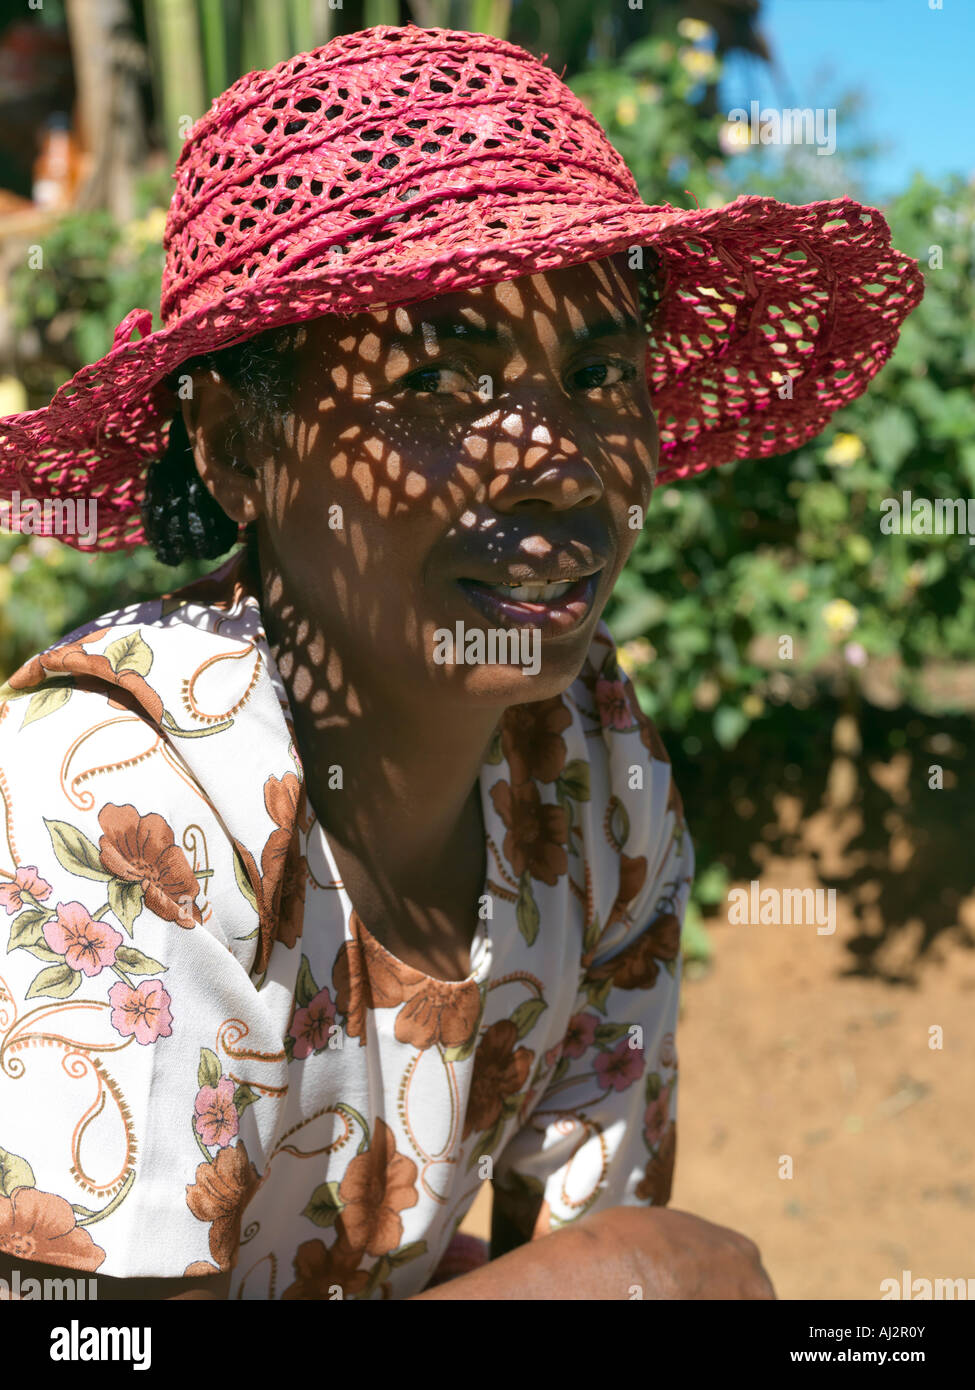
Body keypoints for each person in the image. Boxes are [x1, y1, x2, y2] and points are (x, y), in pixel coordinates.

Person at [0, 24, 922, 1301]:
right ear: (231, 449)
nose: (551, 453)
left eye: (601, 373)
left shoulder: (592, 772)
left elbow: (586, 1232)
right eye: (437, 379)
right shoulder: (118, 801)